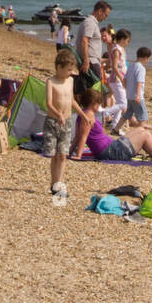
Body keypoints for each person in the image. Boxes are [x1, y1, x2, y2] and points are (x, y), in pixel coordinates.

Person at [71, 87, 152, 166]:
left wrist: (69, 153)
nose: (99, 106)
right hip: (110, 152)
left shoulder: (83, 114)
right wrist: (78, 156)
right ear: (93, 103)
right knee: (145, 135)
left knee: (141, 129)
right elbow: (83, 137)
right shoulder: (88, 115)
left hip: (111, 147)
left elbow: (77, 137)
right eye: (99, 104)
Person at [43, 49, 83, 199]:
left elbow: (72, 100)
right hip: (53, 121)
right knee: (54, 155)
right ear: (59, 67)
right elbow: (48, 103)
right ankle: (54, 184)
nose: (71, 73)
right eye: (68, 70)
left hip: (66, 121)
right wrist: (58, 114)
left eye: (72, 70)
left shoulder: (70, 81)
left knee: (63, 155)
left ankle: (58, 185)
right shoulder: (51, 81)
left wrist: (83, 115)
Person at [74, 0, 111, 99]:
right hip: (91, 62)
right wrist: (86, 61)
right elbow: (84, 41)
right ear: (100, 11)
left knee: (89, 91)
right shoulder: (90, 22)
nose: (105, 18)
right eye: (105, 15)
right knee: (95, 92)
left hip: (92, 61)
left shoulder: (90, 22)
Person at [117, 46, 152, 131]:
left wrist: (127, 89)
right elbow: (139, 82)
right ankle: (140, 132)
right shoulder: (141, 68)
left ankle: (116, 129)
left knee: (127, 114)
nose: (148, 61)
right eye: (149, 58)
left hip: (129, 95)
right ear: (146, 58)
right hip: (137, 96)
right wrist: (138, 95)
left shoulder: (131, 66)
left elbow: (124, 79)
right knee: (142, 116)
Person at [105, 29, 131, 127]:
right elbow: (115, 67)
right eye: (127, 41)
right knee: (123, 104)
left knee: (121, 103)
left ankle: (115, 126)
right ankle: (105, 113)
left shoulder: (119, 49)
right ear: (123, 39)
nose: (128, 43)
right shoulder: (117, 50)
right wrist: (122, 79)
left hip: (119, 78)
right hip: (116, 79)